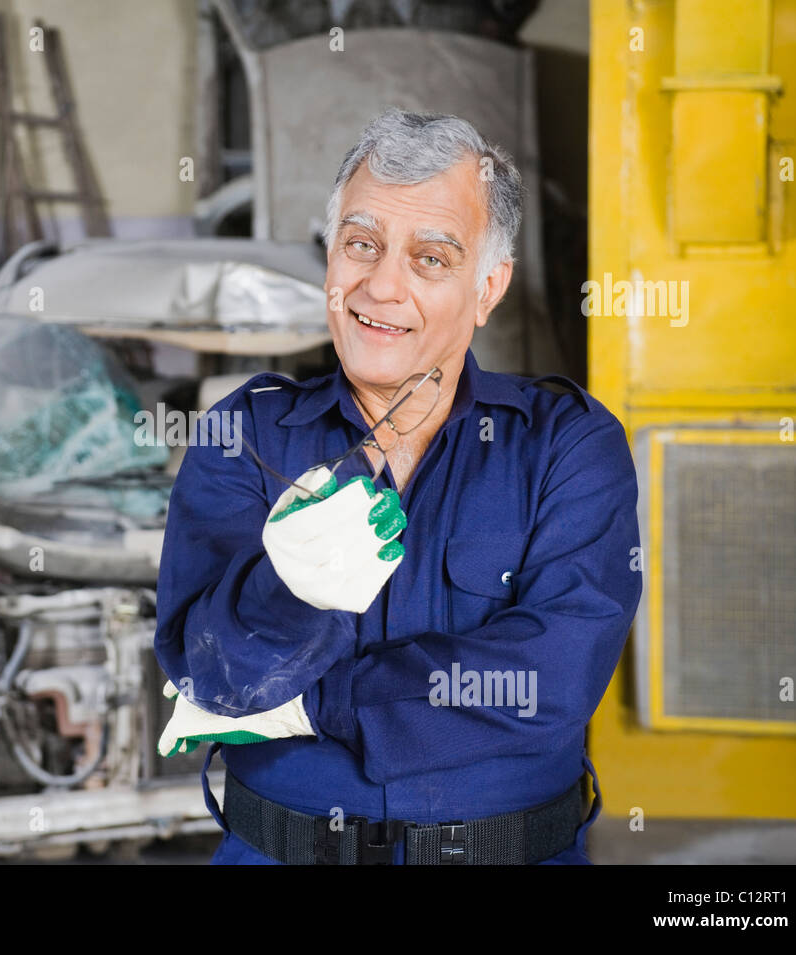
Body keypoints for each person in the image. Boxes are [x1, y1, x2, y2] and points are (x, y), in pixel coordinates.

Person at [154, 109, 643, 865]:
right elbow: (211, 675)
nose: (380, 286)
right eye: (362, 245)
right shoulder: (246, 438)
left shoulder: (566, 445)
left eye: (431, 259)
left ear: (488, 288)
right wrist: (284, 590)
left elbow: (550, 681)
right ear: (330, 260)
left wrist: (314, 702)